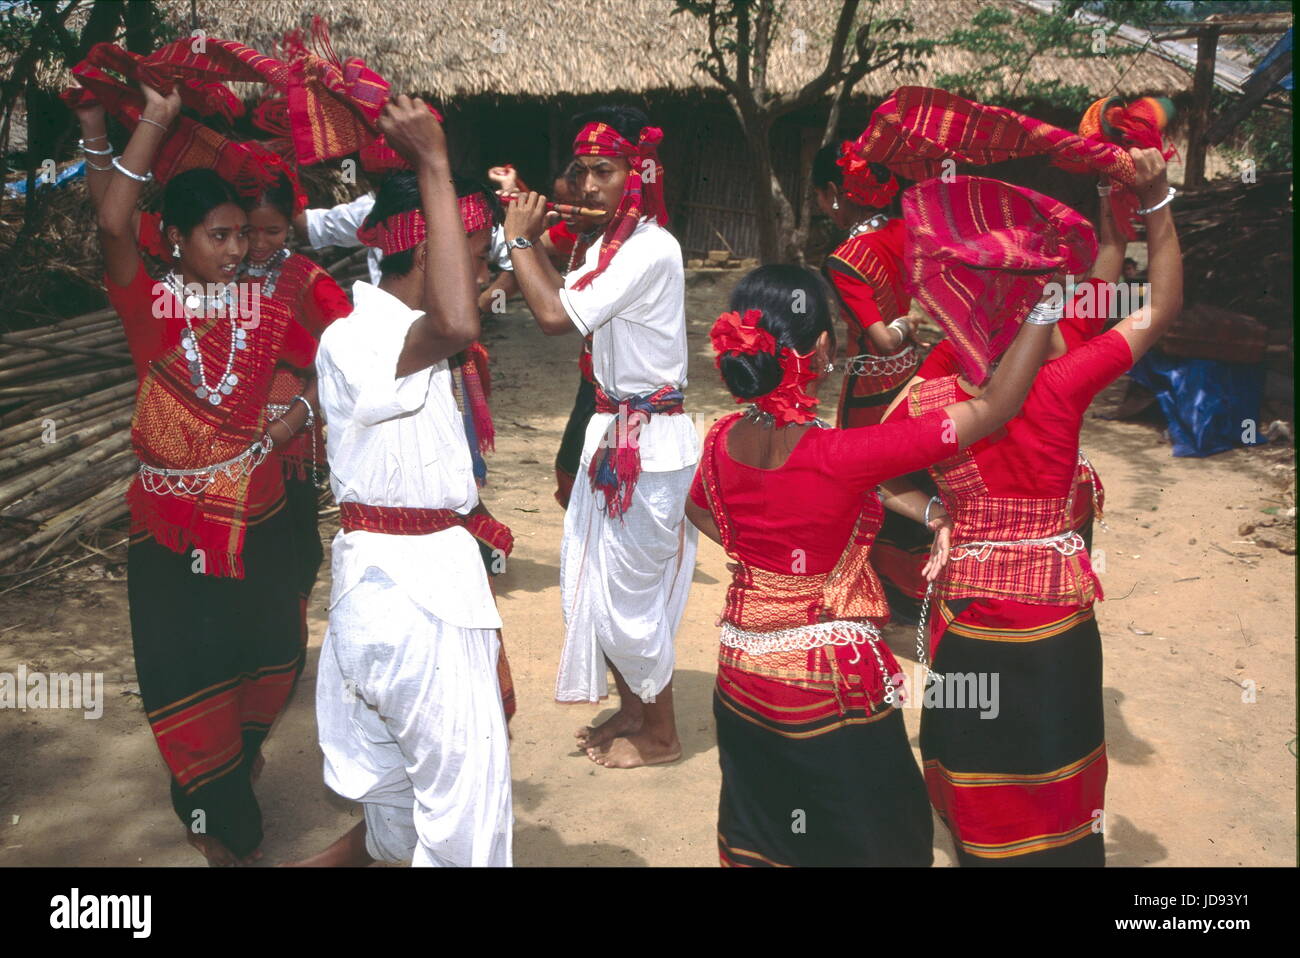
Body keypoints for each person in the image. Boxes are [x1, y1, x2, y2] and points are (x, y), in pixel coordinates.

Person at [686, 262, 1058, 867]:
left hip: (740, 670)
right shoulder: (842, 454)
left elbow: (699, 509)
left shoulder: (722, 439)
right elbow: (994, 407)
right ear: (825, 348)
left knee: (769, 826)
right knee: (883, 833)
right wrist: (1043, 302)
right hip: (824, 682)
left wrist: (768, 571)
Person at [885, 151, 1182, 866]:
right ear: (1032, 304)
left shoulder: (929, 389)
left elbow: (868, 474)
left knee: (972, 748)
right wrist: (1157, 202)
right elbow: (1163, 304)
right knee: (1057, 748)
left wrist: (936, 518)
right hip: (1053, 615)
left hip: (969, 609)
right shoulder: (1064, 380)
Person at [90, 84, 317, 866]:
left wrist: (290, 423)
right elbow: (112, 220)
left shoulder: (270, 304)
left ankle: (239, 764)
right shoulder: (151, 307)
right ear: (177, 239)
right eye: (216, 236)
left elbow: (337, 368)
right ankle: (217, 823)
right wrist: (153, 116)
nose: (233, 249)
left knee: (271, 658)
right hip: (172, 527)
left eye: (240, 236)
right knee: (187, 673)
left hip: (259, 518)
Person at [299, 96, 512, 867]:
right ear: (428, 253)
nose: (484, 270)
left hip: (395, 591)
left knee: (394, 803)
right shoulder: (360, 339)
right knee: (464, 814)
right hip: (412, 600)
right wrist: (433, 166)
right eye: (475, 251)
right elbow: (457, 322)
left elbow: (456, 321)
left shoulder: (382, 339)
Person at [505, 105, 698, 768]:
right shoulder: (603, 246)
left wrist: (520, 241)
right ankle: (636, 710)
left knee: (631, 591)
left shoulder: (650, 247)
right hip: (612, 429)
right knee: (596, 581)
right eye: (580, 171)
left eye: (605, 171)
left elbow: (557, 315)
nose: (588, 185)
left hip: (650, 439)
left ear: (636, 176)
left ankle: (663, 734)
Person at [239, 149, 352, 645]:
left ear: (291, 226)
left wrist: (299, 410)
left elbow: (347, 349)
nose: (260, 244)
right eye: (249, 231)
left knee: (295, 541)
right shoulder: (215, 274)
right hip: (227, 439)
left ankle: (284, 642)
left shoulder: (307, 280)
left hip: (290, 442)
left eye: (275, 231)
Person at [810, 142, 920, 428]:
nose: (822, 206)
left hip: (868, 390)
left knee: (861, 467)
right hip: (910, 375)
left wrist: (905, 325)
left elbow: (882, 341)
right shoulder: (904, 231)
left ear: (834, 193)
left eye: (820, 196)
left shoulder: (844, 261)